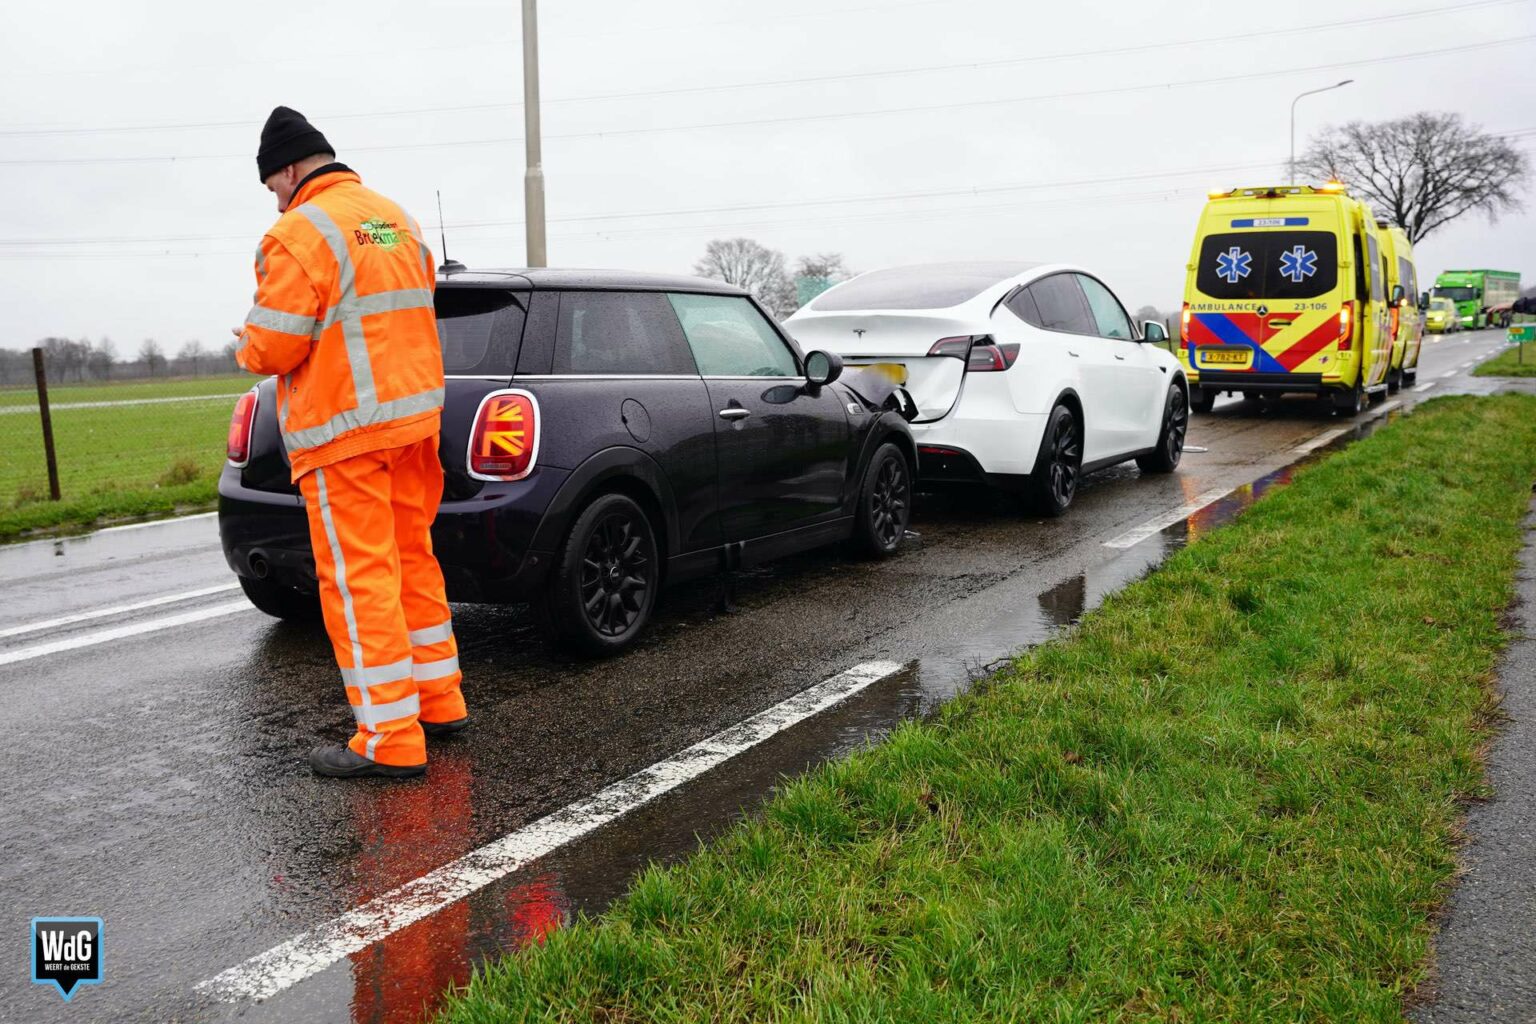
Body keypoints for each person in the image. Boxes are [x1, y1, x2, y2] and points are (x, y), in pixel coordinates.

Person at [232, 106, 467, 780]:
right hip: (415, 424)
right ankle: (439, 701)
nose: (273, 195)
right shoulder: (396, 219)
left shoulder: (297, 233)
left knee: (360, 578)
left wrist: (244, 344)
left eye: (270, 183)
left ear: (286, 168)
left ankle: (390, 737)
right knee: (412, 561)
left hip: (346, 433)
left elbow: (274, 344)